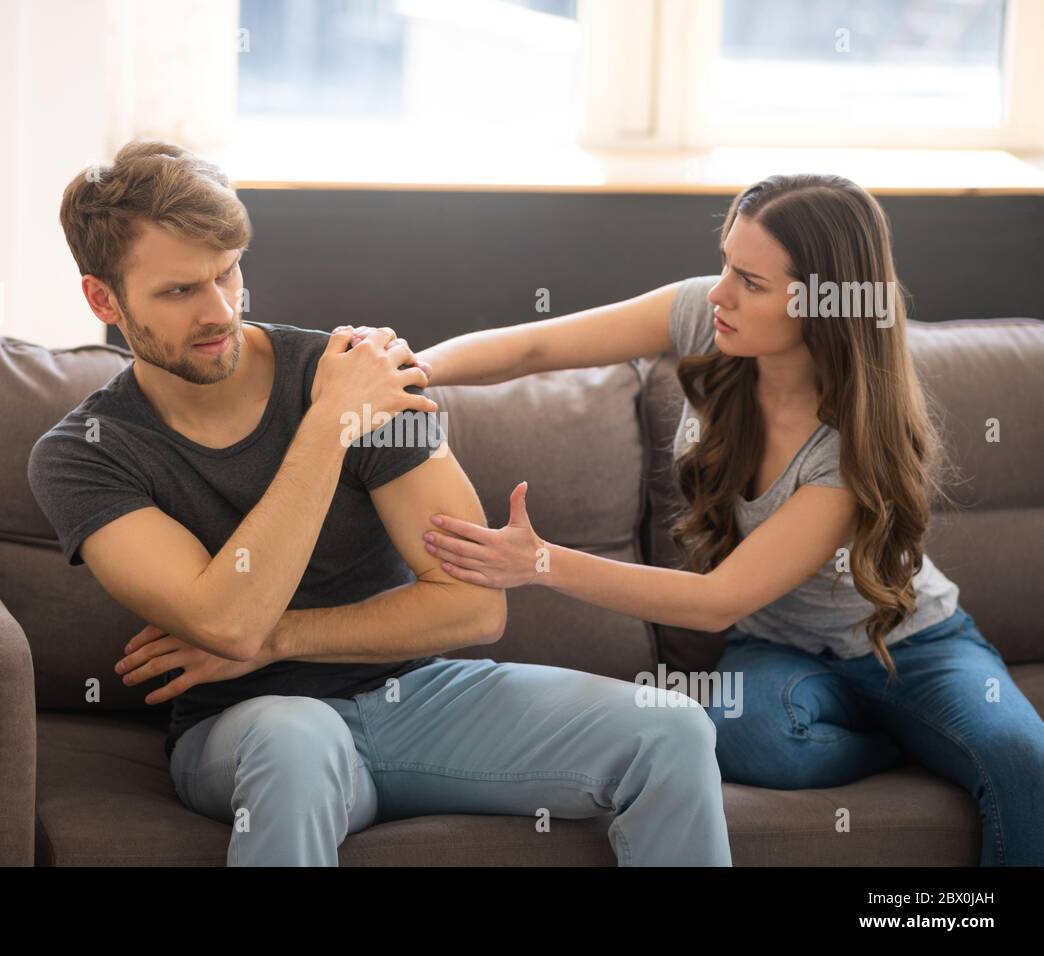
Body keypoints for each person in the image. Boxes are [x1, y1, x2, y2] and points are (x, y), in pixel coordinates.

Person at [26, 139, 732, 867]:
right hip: (249, 724)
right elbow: (228, 621)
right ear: (103, 299)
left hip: (422, 697)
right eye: (178, 291)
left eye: (227, 272)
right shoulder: (86, 453)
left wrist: (279, 639)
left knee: (670, 729)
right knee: (296, 742)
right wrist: (329, 425)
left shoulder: (361, 372)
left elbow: (474, 607)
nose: (219, 311)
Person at [399, 173, 1044, 866]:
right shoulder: (701, 319)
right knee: (755, 738)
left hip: (911, 644)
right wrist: (411, 372)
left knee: (1020, 758)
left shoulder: (849, 449)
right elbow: (536, 348)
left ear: (823, 305)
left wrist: (539, 562)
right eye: (725, 264)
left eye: (751, 282)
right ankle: (901, 739)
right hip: (778, 647)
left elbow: (715, 603)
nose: (718, 293)